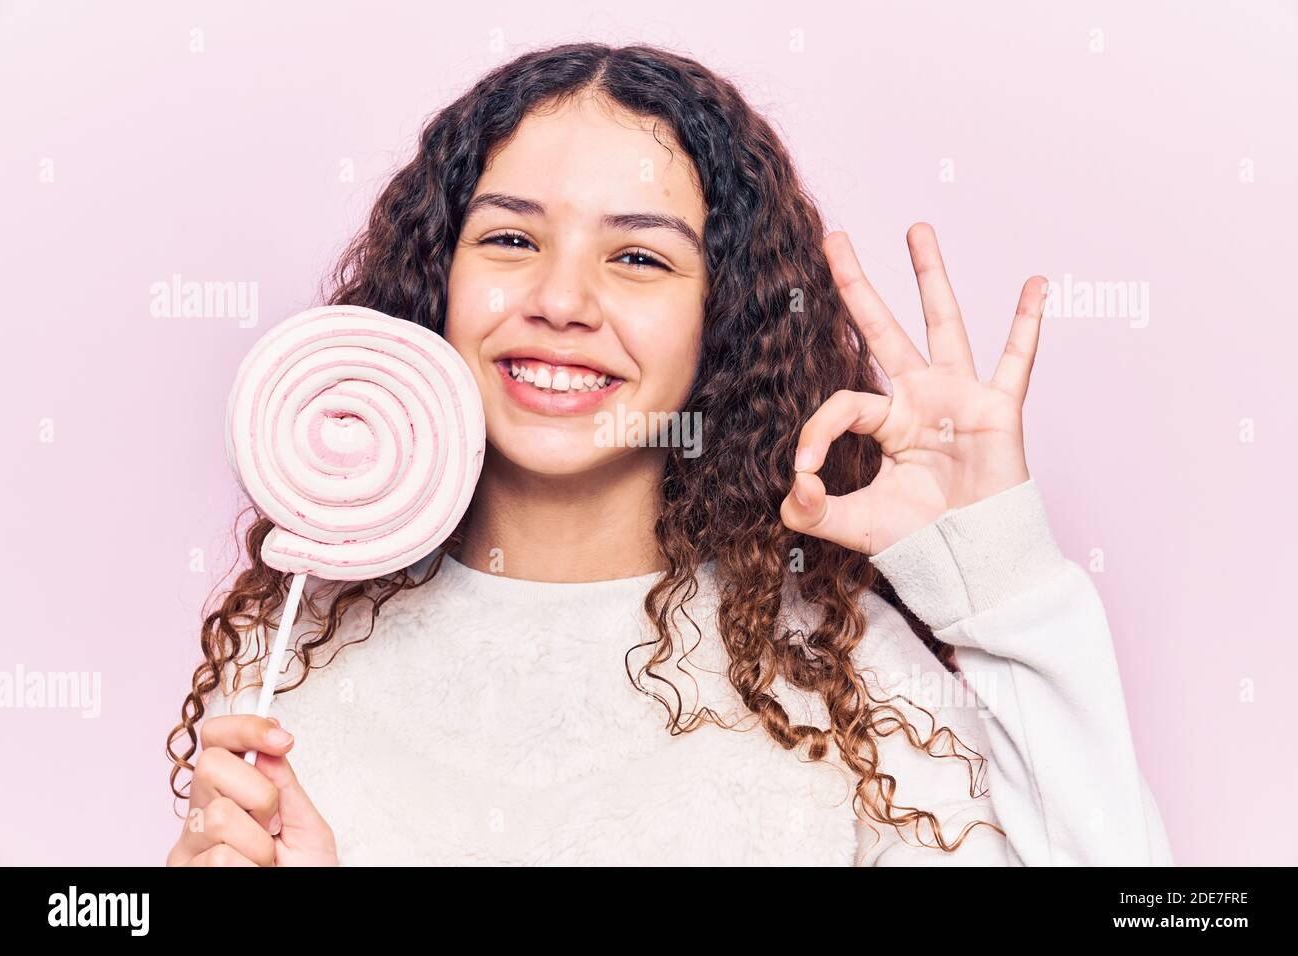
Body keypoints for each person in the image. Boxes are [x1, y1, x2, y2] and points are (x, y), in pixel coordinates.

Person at [164, 42, 1172, 866]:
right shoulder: (288, 653)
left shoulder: (837, 671)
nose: (560, 301)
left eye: (638, 257)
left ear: (719, 320)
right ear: (436, 275)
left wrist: (1002, 575)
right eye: (510, 240)